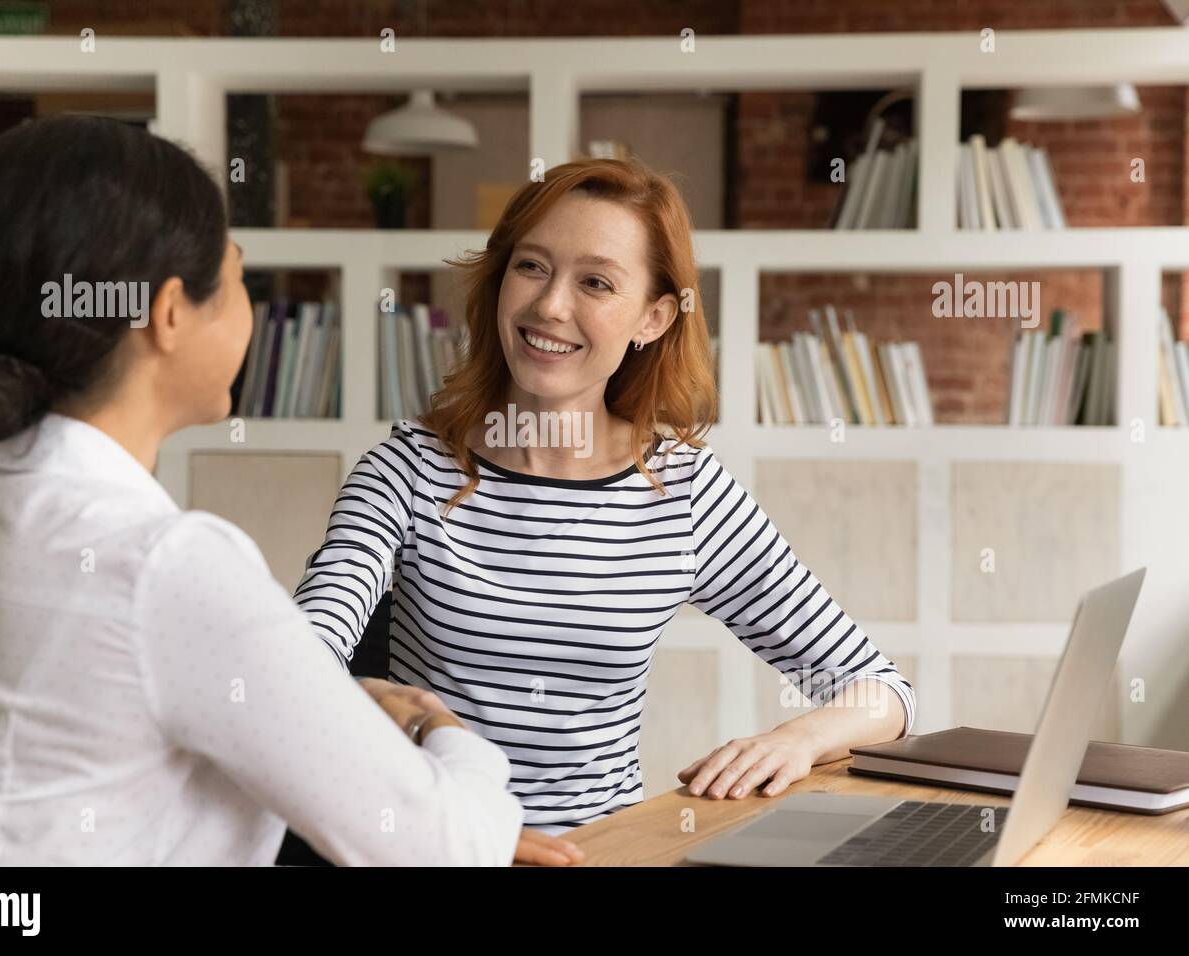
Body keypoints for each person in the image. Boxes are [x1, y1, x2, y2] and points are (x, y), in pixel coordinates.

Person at [0, 115, 521, 866]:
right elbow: (443, 847)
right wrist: (434, 726)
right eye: (235, 277)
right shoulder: (166, 565)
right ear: (168, 315)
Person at [293, 156, 916, 864]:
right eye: (532, 267)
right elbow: (299, 660)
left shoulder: (685, 495)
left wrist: (793, 740)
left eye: (595, 282)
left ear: (653, 317)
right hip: (441, 849)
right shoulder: (406, 470)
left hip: (603, 854)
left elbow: (883, 694)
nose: (550, 306)